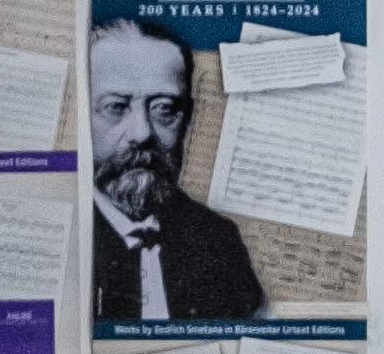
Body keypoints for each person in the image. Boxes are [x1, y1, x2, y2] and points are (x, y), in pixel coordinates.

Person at [83, 17, 263, 323]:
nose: (142, 133)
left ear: (187, 117)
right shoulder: (59, 232)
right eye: (116, 106)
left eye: (164, 108)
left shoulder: (218, 241)